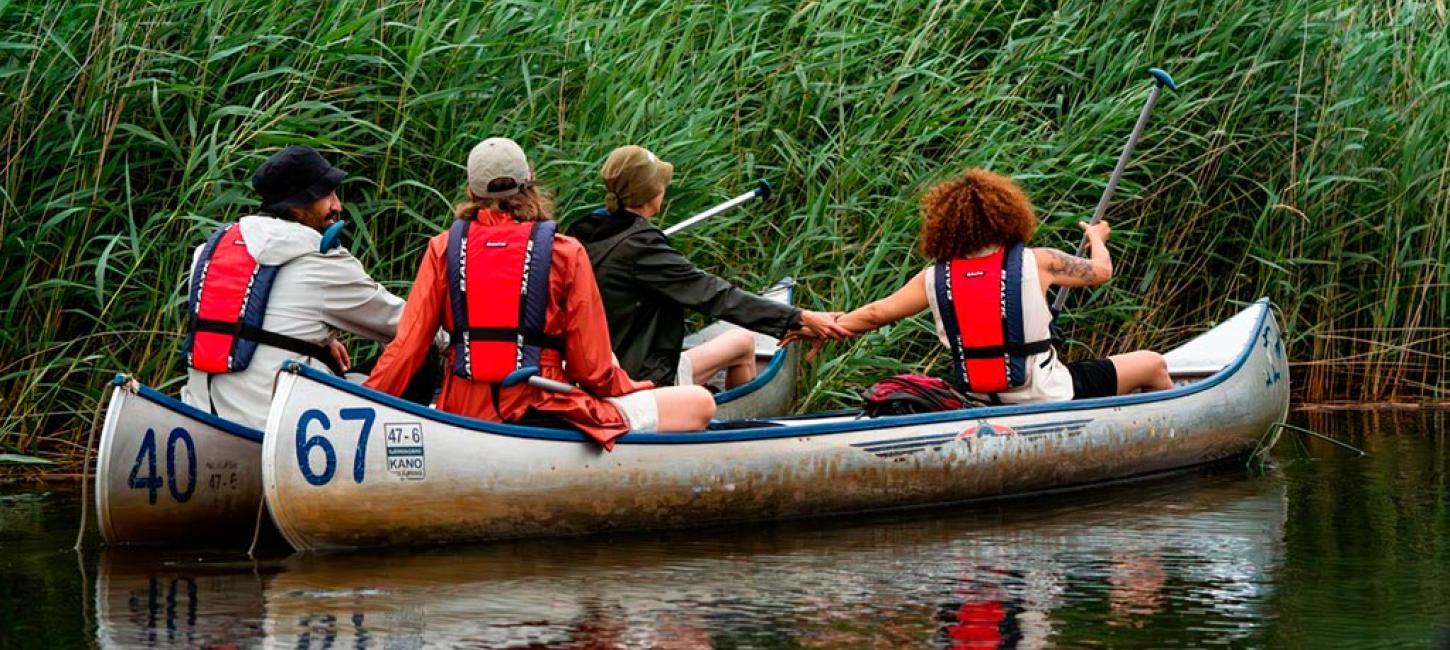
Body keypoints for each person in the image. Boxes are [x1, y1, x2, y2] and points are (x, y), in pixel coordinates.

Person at [364, 138, 714, 448]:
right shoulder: (565, 252)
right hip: (544, 409)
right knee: (699, 403)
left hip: (463, 413)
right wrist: (639, 388)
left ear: (471, 192)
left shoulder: (442, 250)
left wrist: (364, 402)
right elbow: (593, 371)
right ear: (529, 182)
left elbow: (407, 349)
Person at [789, 168, 1171, 403]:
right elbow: (1102, 271)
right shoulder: (1040, 260)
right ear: (1008, 214)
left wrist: (819, 327)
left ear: (945, 227)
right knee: (1152, 364)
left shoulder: (933, 277)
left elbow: (874, 314)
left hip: (980, 399)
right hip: (1048, 395)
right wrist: (1098, 238)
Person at [566, 145, 851, 389]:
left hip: (591, 368)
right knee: (743, 345)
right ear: (654, 194)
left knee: (739, 342)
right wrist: (798, 317)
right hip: (635, 380)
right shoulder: (641, 247)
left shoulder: (583, 232)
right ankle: (736, 424)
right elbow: (715, 295)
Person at [180, 145, 419, 429]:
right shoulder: (322, 260)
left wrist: (319, 339)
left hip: (200, 415)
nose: (337, 206)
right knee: (421, 349)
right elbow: (411, 324)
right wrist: (455, 338)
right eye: (326, 195)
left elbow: (250, 320)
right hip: (275, 429)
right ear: (296, 208)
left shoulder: (210, 252)